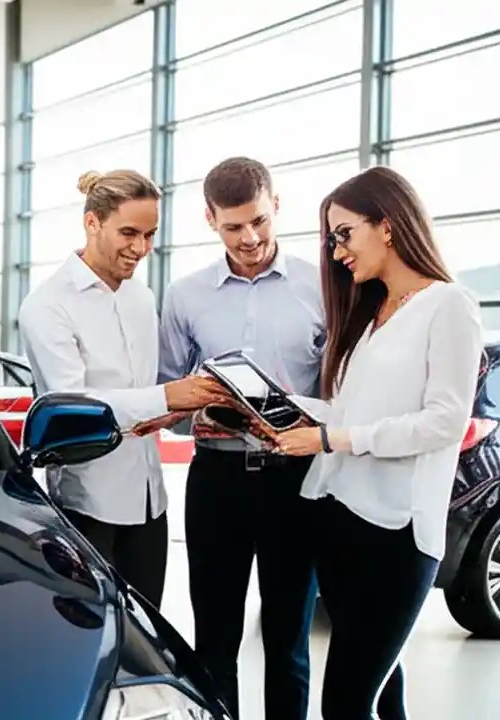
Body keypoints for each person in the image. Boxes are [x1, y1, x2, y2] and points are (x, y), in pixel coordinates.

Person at [275, 166, 483, 720]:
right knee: (382, 693)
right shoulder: (372, 316)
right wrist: (275, 412)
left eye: (343, 233)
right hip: (339, 518)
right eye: (331, 239)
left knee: (345, 702)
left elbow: (443, 421)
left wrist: (333, 437)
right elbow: (349, 415)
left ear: (387, 226)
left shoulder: (449, 305)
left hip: (397, 534)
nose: (337, 251)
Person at [155, 157, 324, 720]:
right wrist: (196, 411)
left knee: (287, 641)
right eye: (233, 227)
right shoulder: (184, 296)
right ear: (209, 219)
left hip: (296, 481)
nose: (249, 238)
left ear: (277, 204)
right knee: (215, 640)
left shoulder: (323, 286)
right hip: (217, 480)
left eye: (259, 221)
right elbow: (166, 395)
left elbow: (342, 389)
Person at [18, 169, 227, 608]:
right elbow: (72, 407)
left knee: (147, 633)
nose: (141, 248)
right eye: (128, 232)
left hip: (150, 503)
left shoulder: (141, 297)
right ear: (92, 222)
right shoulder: (48, 305)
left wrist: (196, 406)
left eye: (150, 234)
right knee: (92, 638)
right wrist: (168, 396)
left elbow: (146, 395)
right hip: (88, 504)